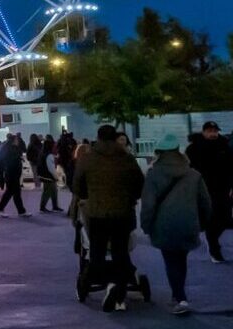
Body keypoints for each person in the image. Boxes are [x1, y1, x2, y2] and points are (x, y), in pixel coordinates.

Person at [74, 124, 145, 312]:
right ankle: (118, 291)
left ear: (97, 137)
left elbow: (78, 184)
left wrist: (87, 197)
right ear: (115, 138)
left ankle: (100, 282)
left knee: (96, 253)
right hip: (123, 214)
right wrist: (130, 198)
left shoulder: (88, 158)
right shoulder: (126, 158)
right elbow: (139, 183)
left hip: (97, 213)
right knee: (121, 254)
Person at [141, 134, 212, 315]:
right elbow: (205, 202)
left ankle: (179, 297)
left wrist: (146, 225)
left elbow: (148, 204)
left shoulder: (153, 174)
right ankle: (179, 295)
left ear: (159, 153)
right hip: (188, 223)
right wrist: (202, 223)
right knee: (181, 259)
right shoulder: (193, 174)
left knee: (171, 260)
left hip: (163, 225)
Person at [185, 120, 232, 263]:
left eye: (215, 131)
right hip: (204, 189)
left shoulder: (225, 145)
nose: (213, 134)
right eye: (210, 131)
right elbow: (189, 170)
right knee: (211, 219)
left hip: (224, 189)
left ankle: (211, 238)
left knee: (225, 219)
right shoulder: (193, 149)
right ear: (204, 132)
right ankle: (214, 249)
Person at [0, 135, 29, 217]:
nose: (18, 141)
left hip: (13, 173)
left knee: (14, 192)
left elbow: (24, 149)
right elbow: (11, 161)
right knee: (11, 192)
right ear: (13, 140)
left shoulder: (10, 148)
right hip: (12, 173)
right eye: (17, 140)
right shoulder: (10, 149)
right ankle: (0, 208)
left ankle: (20, 211)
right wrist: (18, 158)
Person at [38, 136, 62, 212]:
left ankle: (55, 206)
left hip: (43, 175)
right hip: (49, 176)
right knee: (48, 192)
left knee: (53, 191)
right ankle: (43, 207)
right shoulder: (49, 155)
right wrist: (56, 177)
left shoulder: (42, 153)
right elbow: (51, 169)